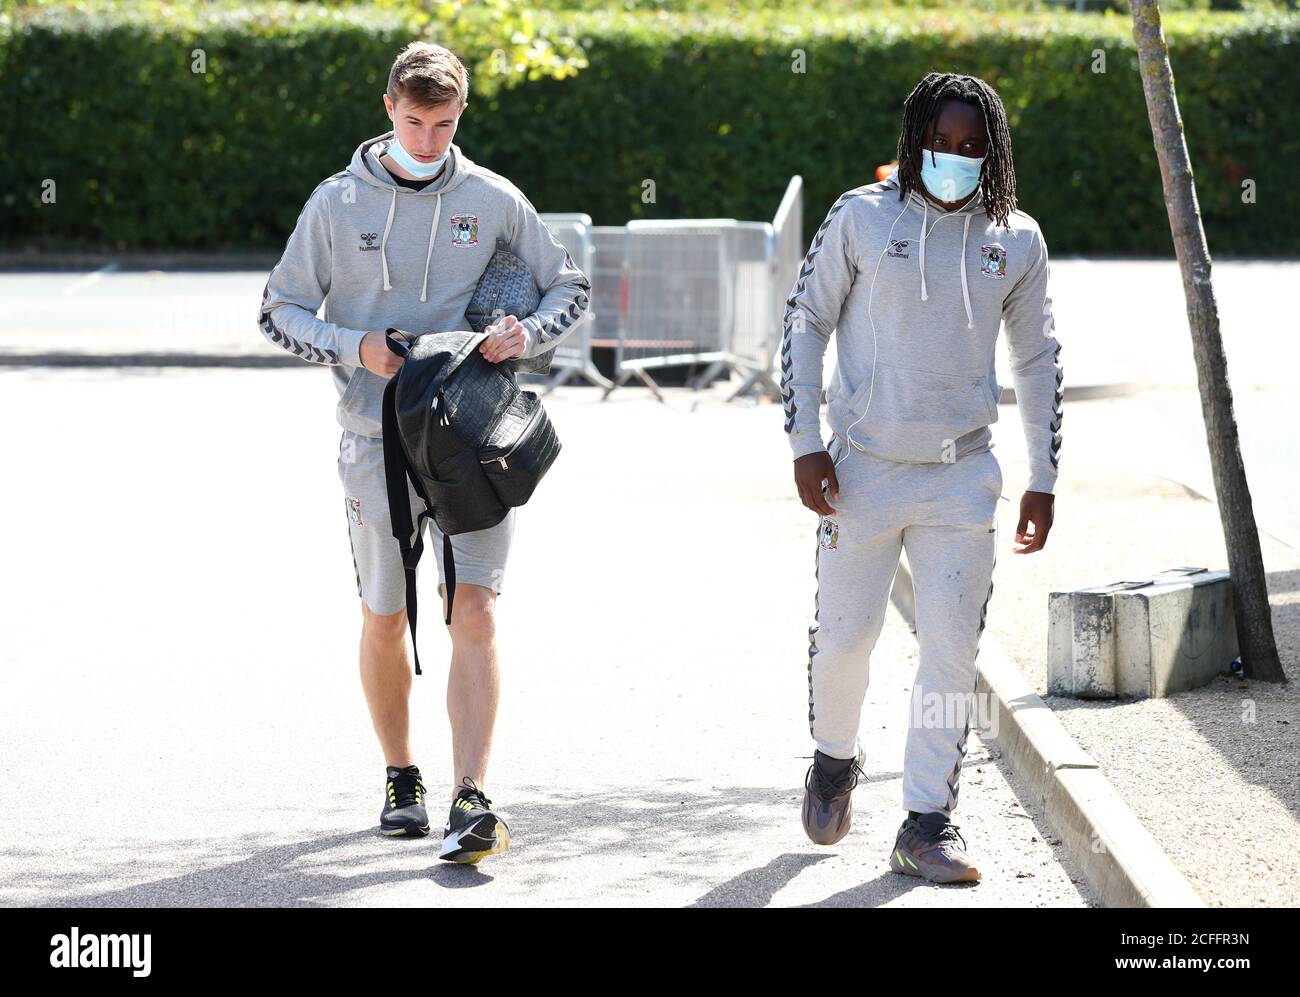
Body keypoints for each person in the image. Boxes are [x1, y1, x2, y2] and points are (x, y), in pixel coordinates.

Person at [257, 41, 590, 864]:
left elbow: (568, 287)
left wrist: (525, 335)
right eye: (413, 122)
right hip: (375, 443)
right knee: (386, 614)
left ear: (462, 113)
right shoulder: (335, 203)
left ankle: (471, 795)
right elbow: (277, 310)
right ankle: (400, 772)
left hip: (475, 439)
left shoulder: (494, 196)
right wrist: (353, 344)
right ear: (387, 109)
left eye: (443, 124)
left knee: (473, 608)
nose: (428, 140)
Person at [780, 72, 1062, 883]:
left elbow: (1038, 358)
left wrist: (1043, 475)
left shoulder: (1017, 237)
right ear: (915, 140)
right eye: (941, 142)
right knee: (845, 641)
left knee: (950, 650)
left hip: (960, 478)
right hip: (859, 472)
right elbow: (806, 320)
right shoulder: (862, 216)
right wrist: (805, 442)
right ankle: (834, 758)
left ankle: (927, 818)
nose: (956, 157)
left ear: (994, 153)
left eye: (974, 147)